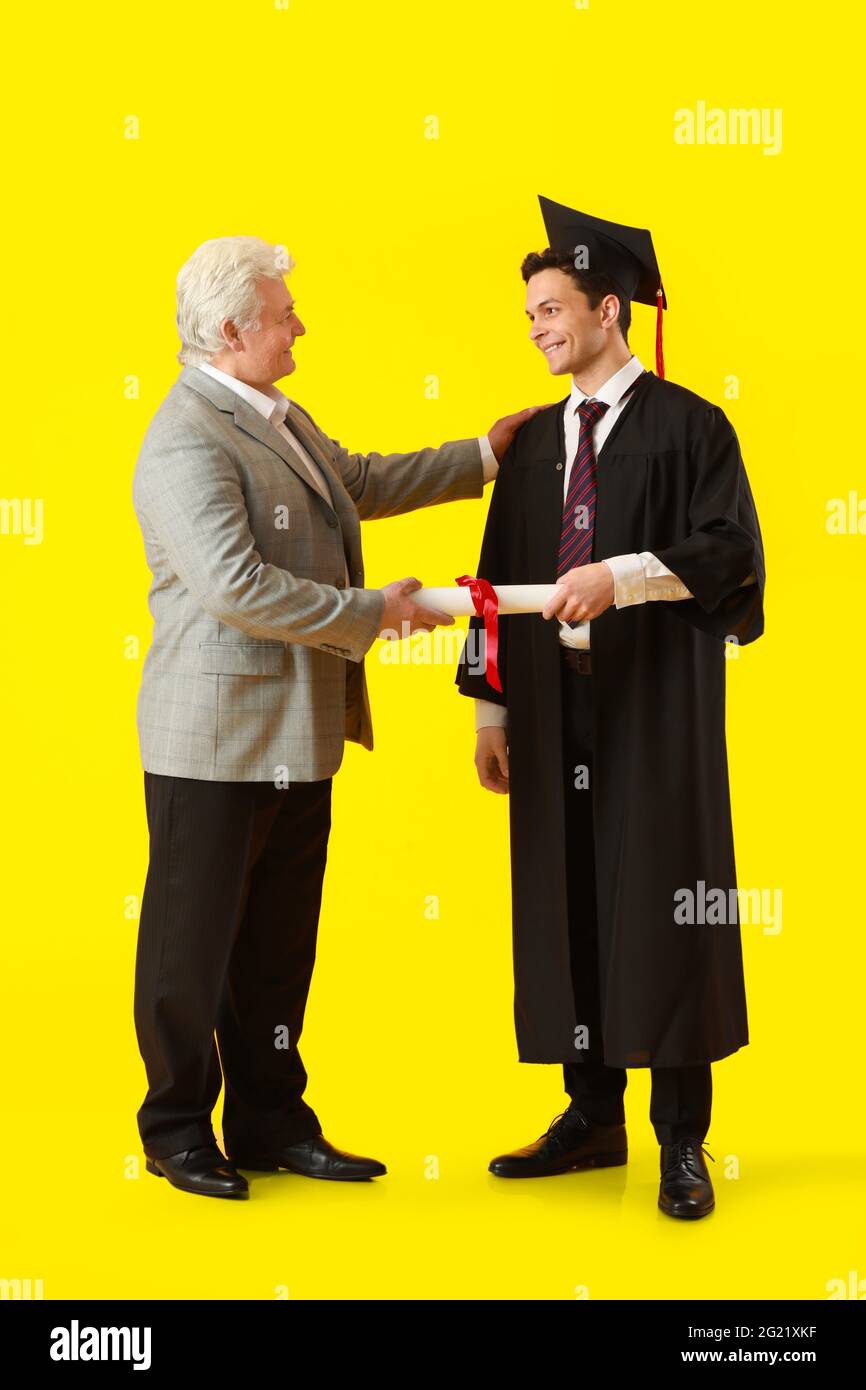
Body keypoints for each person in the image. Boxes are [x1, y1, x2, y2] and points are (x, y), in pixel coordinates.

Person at [132, 234, 538, 1199]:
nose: (299, 327)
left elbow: (355, 481)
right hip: (215, 741)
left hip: (297, 735)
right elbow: (236, 586)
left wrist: (483, 456)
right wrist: (372, 614)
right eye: (283, 315)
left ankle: (270, 1119)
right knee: (192, 946)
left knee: (277, 943)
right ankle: (177, 1128)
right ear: (232, 329)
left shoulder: (276, 415)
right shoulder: (185, 436)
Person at [456, 196, 765, 1219]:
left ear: (608, 308)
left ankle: (682, 1140)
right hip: (551, 710)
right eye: (530, 313)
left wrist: (624, 575)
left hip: (652, 710)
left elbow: (729, 554)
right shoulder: (537, 444)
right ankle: (590, 1117)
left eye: (551, 307)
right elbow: (496, 579)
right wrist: (489, 714)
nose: (538, 325)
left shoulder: (689, 428)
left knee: (665, 907)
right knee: (569, 901)